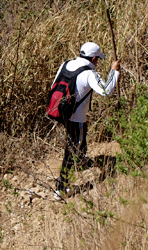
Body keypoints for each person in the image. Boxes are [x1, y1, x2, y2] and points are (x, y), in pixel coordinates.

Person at [51, 42, 120, 199]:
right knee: (72, 148)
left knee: (78, 139)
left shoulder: (66, 64)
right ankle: (61, 189)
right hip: (77, 117)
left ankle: (81, 160)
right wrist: (114, 71)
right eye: (98, 59)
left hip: (62, 112)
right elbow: (106, 91)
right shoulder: (89, 73)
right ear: (94, 58)